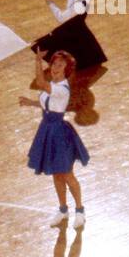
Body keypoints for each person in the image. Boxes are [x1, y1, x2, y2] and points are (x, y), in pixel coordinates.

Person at [21, 49, 87, 227]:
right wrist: (31, 102)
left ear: (67, 69)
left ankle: (80, 211)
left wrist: (37, 61)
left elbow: (41, 83)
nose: (55, 68)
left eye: (60, 65)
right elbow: (48, 104)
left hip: (60, 133)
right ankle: (63, 209)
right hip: (47, 129)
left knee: (66, 174)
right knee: (56, 174)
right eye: (53, 64)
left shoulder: (62, 88)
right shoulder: (53, 85)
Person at [31, 0, 106, 69]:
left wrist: (51, 4)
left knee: (40, 47)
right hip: (79, 27)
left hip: (71, 29)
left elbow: (62, 18)